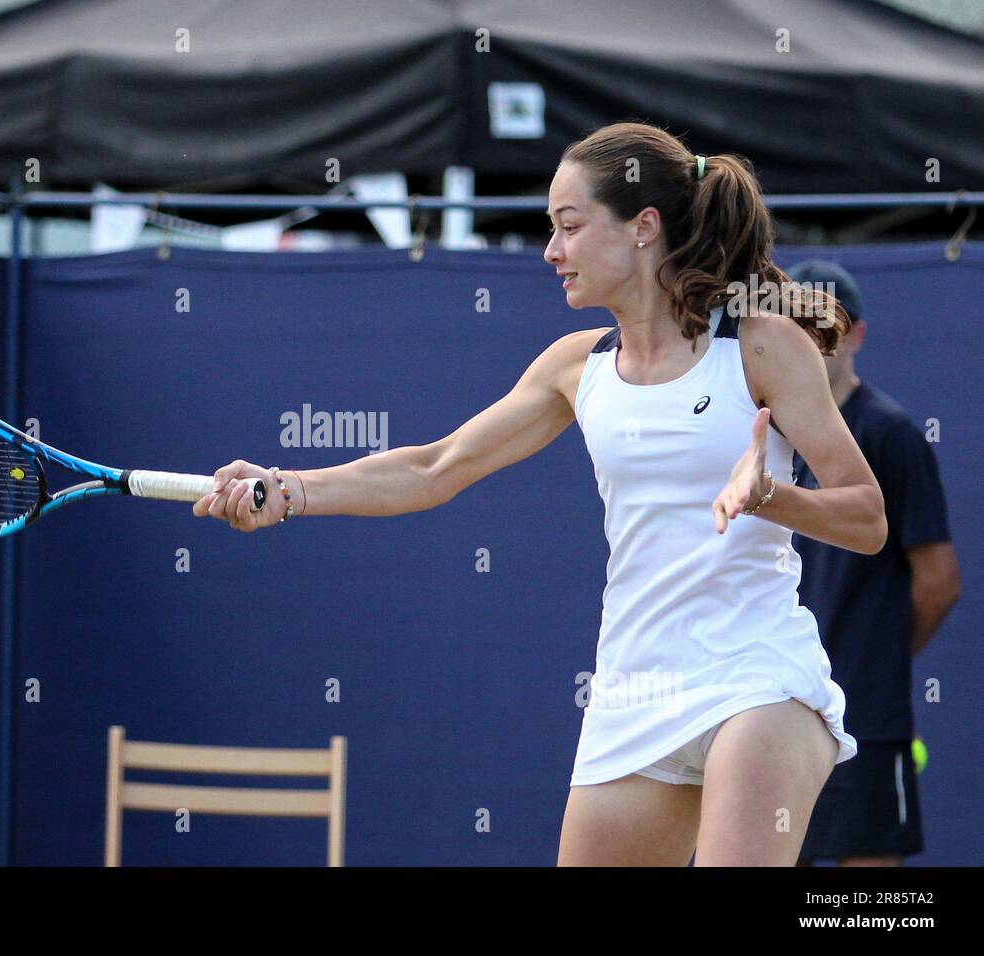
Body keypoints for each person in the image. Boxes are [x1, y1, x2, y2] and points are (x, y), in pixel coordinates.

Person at [193, 121, 888, 866]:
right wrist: (289, 488)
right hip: (634, 694)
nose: (552, 252)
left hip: (756, 679)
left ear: (643, 228)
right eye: (549, 230)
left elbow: (867, 517)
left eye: (569, 227)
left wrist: (767, 498)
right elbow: (435, 468)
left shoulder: (759, 345)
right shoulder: (574, 367)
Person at [787, 260, 961, 868]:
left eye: (825, 326)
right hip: (772, 708)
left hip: (865, 714)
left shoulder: (891, 435)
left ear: (856, 335)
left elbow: (939, 583)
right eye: (794, 324)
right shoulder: (763, 435)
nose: (809, 340)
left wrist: (874, 661)